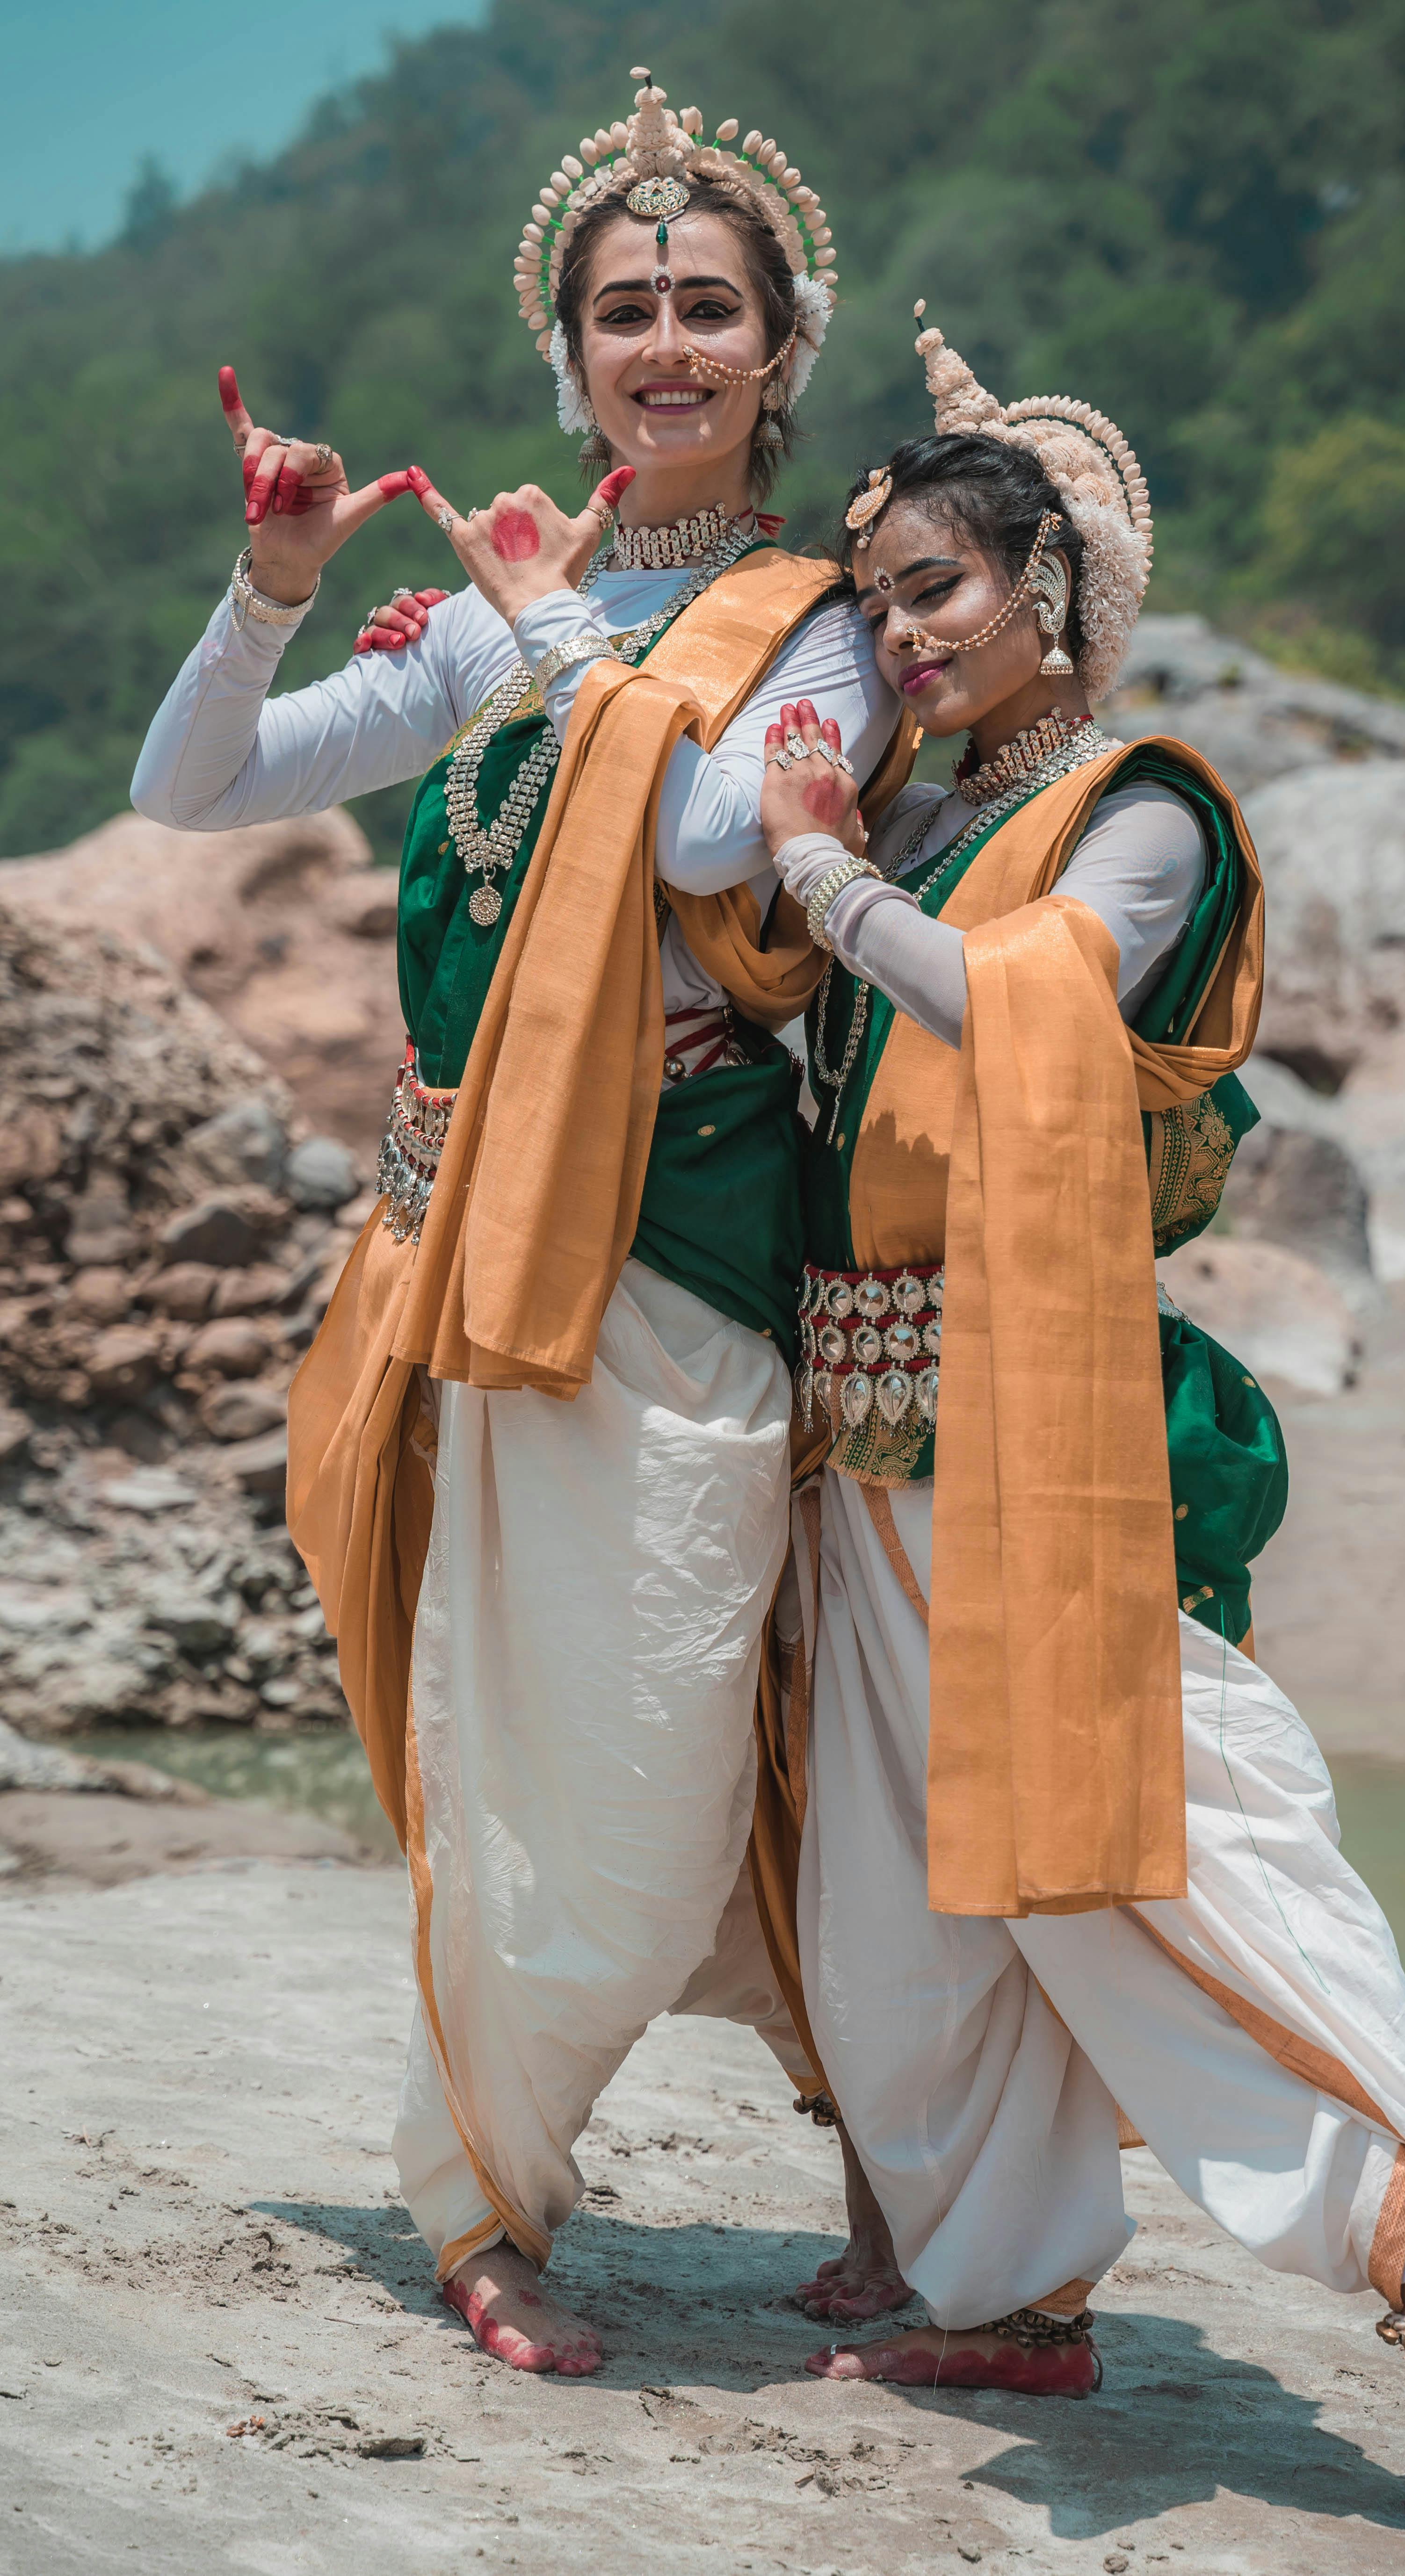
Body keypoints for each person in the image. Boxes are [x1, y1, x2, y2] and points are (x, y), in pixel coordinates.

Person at [132, 72, 914, 2381]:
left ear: (781, 354)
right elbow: (193, 787)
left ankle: (885, 2163)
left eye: (705, 309)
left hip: (688, 1246)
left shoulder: (827, 627)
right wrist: (271, 588)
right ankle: (489, 2200)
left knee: (695, 1733)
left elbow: (705, 848)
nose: (661, 345)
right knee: (501, 1738)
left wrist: (556, 624)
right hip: (463, 1252)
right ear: (566, 359)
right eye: (620, 313)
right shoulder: (488, 628)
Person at [744, 316, 1405, 2566]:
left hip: (1035, 1425)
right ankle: (1006, 2297)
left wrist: (820, 882)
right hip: (862, 1415)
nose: (902, 629)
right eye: (877, 594)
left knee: (1160, 1849)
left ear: (1057, 593)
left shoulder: (1144, 809)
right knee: (895, 1903)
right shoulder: (918, 804)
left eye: (942, 588)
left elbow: (1036, 1014)